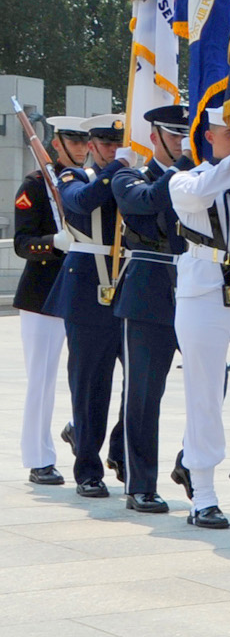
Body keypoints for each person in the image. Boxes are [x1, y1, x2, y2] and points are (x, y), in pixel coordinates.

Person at [166, 102, 230, 525]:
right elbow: (204, 194)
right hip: (202, 289)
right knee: (203, 394)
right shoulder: (185, 179)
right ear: (210, 136)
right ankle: (202, 493)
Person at [109, 106, 189, 517]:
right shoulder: (129, 176)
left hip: (195, 287)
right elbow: (145, 203)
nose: (182, 142)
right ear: (155, 136)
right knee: (143, 393)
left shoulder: (198, 178)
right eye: (175, 135)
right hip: (148, 289)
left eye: (186, 134)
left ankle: (190, 461)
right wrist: (189, 169)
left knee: (212, 387)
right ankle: (140, 483)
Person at [47, 114, 128, 499]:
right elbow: (82, 203)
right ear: (92, 146)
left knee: (143, 384)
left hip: (130, 290)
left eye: (119, 144)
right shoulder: (76, 178)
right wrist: (118, 167)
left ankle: (119, 448)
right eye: (107, 145)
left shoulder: (129, 176)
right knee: (91, 386)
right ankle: (88, 470)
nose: (114, 150)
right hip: (86, 292)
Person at [14, 116, 74, 485]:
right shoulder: (34, 187)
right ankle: (39, 457)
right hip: (43, 294)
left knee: (96, 373)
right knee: (43, 377)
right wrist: (53, 242)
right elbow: (23, 243)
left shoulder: (84, 184)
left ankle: (80, 429)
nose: (83, 149)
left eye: (88, 143)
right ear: (58, 145)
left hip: (84, 290)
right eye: (76, 142)